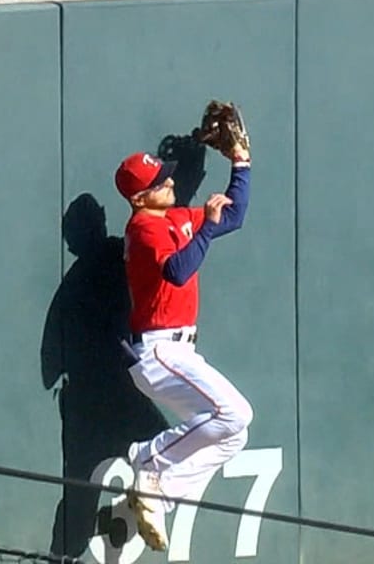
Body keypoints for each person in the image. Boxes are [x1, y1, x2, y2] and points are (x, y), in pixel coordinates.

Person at [113, 142, 253, 554]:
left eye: (166, 174)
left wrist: (240, 162)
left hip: (181, 350)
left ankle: (158, 493)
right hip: (158, 351)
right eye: (159, 182)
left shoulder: (174, 217)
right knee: (236, 413)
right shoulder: (142, 229)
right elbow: (176, 271)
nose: (170, 180)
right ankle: (149, 460)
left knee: (232, 436)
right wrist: (206, 226)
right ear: (139, 199)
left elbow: (236, 215)